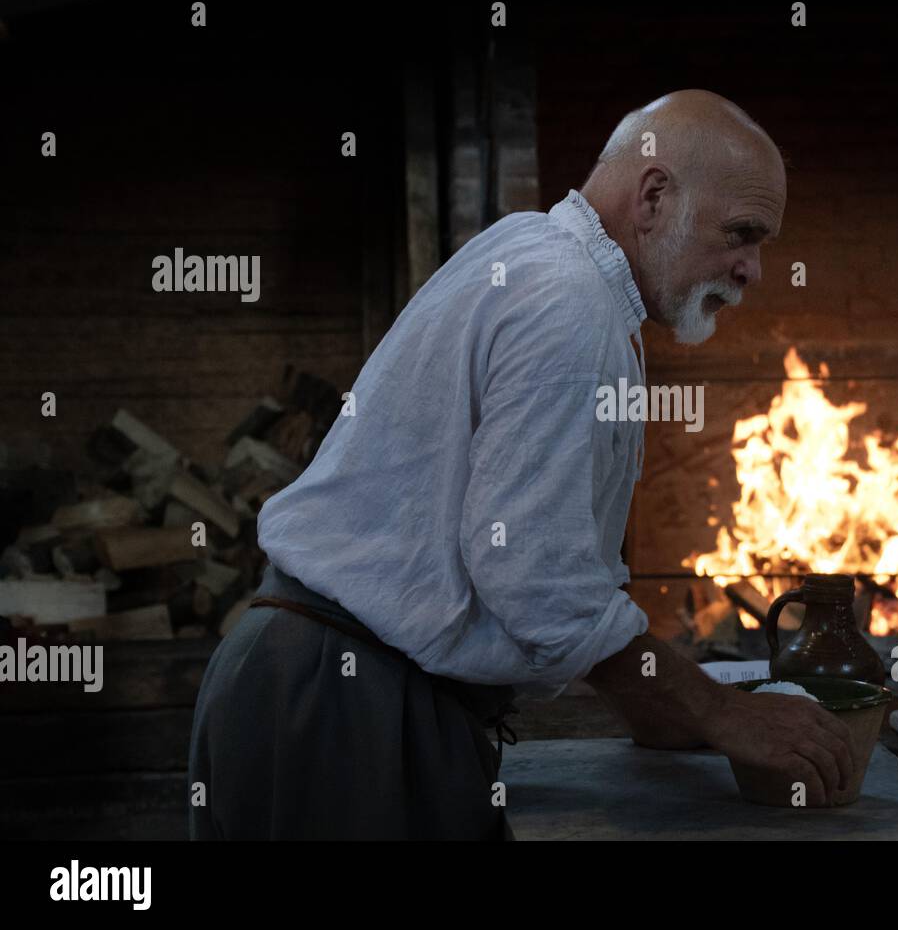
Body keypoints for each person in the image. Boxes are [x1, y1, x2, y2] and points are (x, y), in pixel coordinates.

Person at [188, 89, 853, 839]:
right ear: (655, 195)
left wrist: (661, 708)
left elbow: (546, 573)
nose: (754, 270)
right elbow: (535, 573)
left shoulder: (542, 261)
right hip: (342, 699)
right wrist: (721, 711)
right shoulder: (566, 300)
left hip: (340, 687)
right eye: (742, 233)